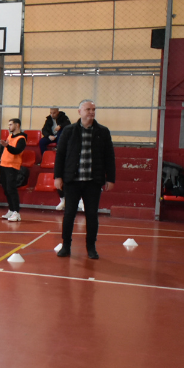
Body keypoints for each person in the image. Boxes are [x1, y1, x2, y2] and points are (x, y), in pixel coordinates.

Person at [54, 99, 115, 259]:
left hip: (93, 182)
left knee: (92, 215)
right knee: (69, 215)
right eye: (88, 109)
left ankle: (91, 247)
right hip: (72, 181)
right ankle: (66, 245)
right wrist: (58, 177)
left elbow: (109, 157)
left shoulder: (103, 131)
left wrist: (111, 178)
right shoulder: (69, 131)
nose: (91, 112)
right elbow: (60, 155)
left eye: (93, 109)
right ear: (79, 111)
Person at [0, 119, 27, 222]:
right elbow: (7, 149)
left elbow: (16, 151)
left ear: (17, 125)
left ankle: (16, 212)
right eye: (8, 124)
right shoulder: (10, 136)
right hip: (4, 164)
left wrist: (7, 146)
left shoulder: (21, 138)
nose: (9, 126)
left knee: (11, 189)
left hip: (12, 166)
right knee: (6, 189)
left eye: (11, 124)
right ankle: (11, 209)